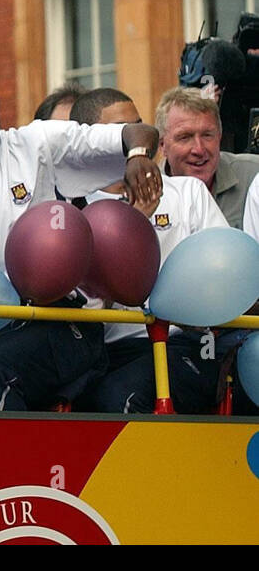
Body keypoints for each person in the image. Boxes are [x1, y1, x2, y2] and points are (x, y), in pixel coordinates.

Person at [0, 67, 162, 411]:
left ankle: (8, 466)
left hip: (55, 319)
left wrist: (138, 155)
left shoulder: (33, 144)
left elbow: (137, 132)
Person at [67, 88, 235, 415]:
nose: (139, 146)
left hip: (183, 347)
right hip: (102, 350)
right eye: (125, 136)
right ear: (91, 144)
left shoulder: (188, 192)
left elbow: (224, 275)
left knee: (124, 401)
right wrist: (132, 222)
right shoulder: (74, 208)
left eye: (141, 128)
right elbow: (86, 305)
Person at [156, 86, 259, 229]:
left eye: (207, 135)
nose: (199, 149)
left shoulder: (253, 176)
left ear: (220, 137)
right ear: (162, 146)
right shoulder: (145, 192)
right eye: (185, 137)